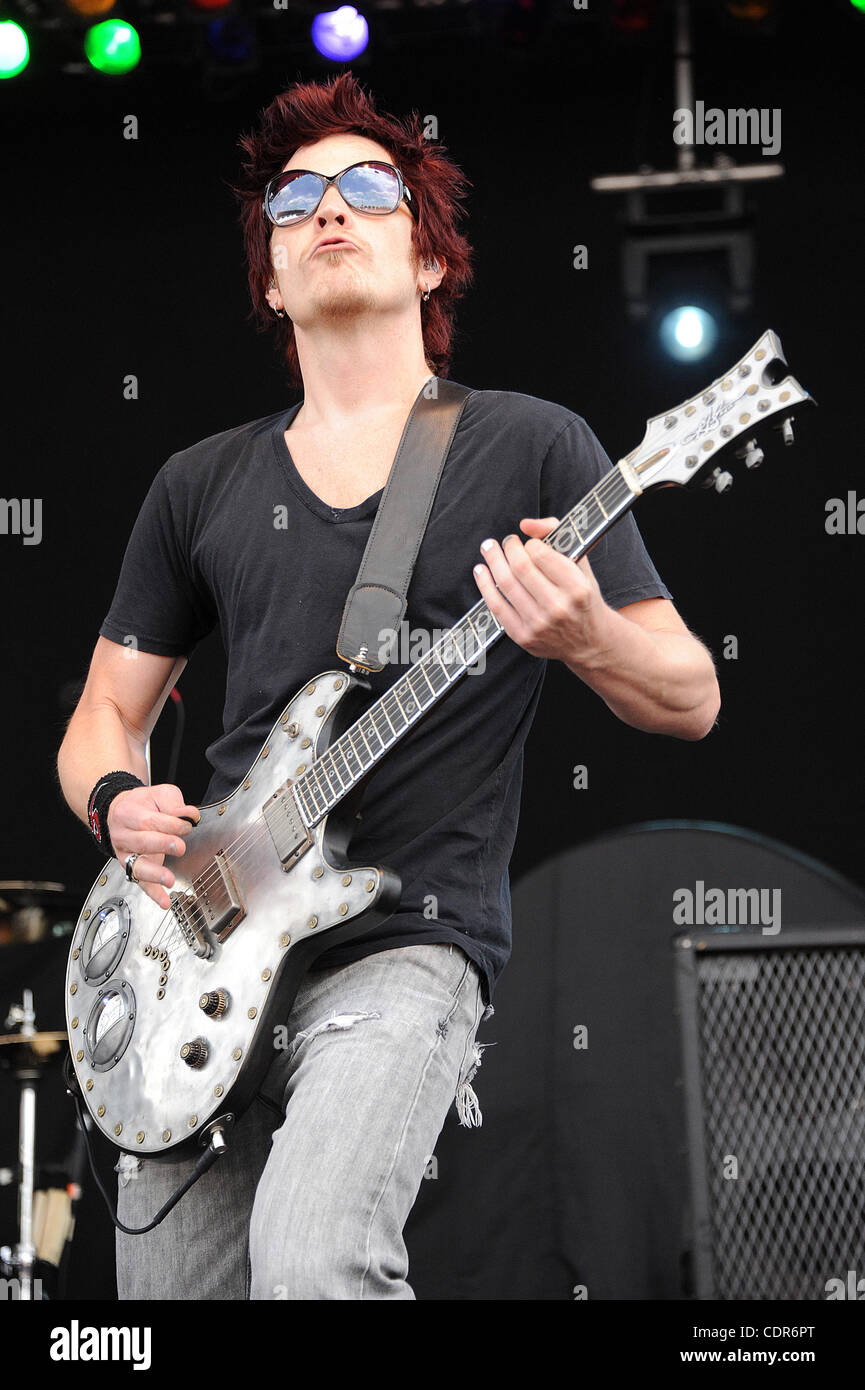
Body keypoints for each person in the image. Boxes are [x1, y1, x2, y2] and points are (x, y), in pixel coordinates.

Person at [57, 72, 720, 1301]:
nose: (326, 211)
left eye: (368, 187)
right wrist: (112, 798)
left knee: (314, 1268)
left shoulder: (533, 444)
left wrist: (581, 634)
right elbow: (106, 713)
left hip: (402, 945)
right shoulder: (197, 484)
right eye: (292, 199)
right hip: (199, 944)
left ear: (428, 258)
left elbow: (687, 693)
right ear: (268, 277)